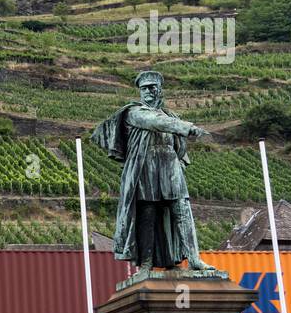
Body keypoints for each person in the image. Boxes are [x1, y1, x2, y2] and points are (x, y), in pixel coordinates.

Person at [91, 70, 217, 272]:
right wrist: (190, 127)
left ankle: (194, 259)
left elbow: (179, 147)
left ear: (160, 89)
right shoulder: (134, 112)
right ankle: (146, 262)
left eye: (152, 87)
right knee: (147, 213)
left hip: (169, 166)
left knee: (182, 209)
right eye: (144, 88)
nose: (148, 91)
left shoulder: (170, 115)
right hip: (144, 168)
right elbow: (155, 122)